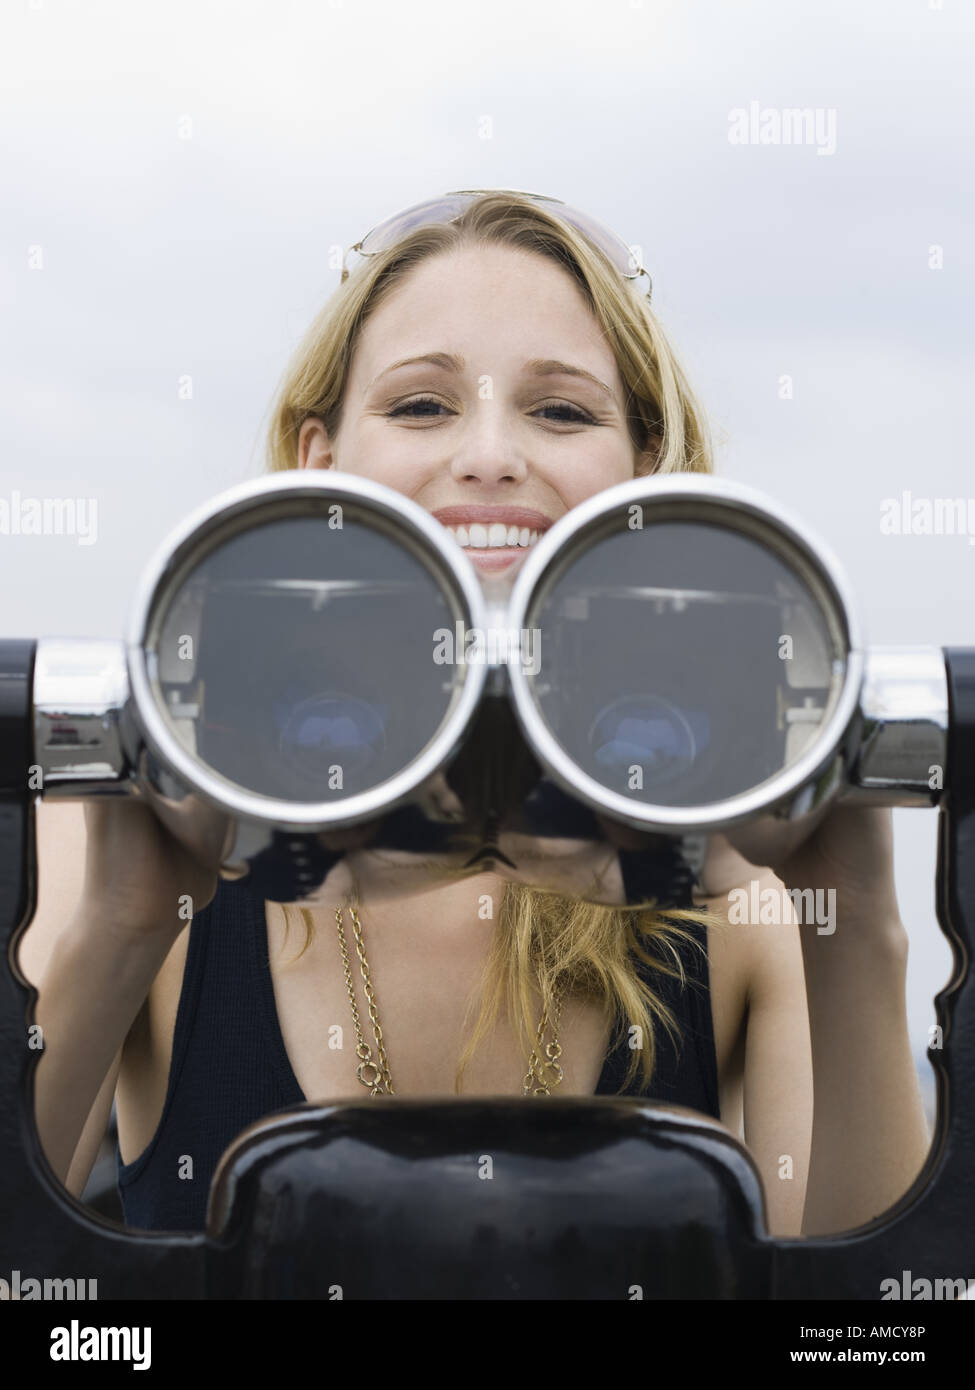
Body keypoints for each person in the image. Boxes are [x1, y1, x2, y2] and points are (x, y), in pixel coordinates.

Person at [19, 189, 929, 1243]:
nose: (490, 453)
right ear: (320, 464)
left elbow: (870, 1336)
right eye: (420, 405)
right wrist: (126, 921)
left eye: (562, 410)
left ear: (644, 475)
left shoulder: (737, 902)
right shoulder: (129, 854)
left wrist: (853, 914)